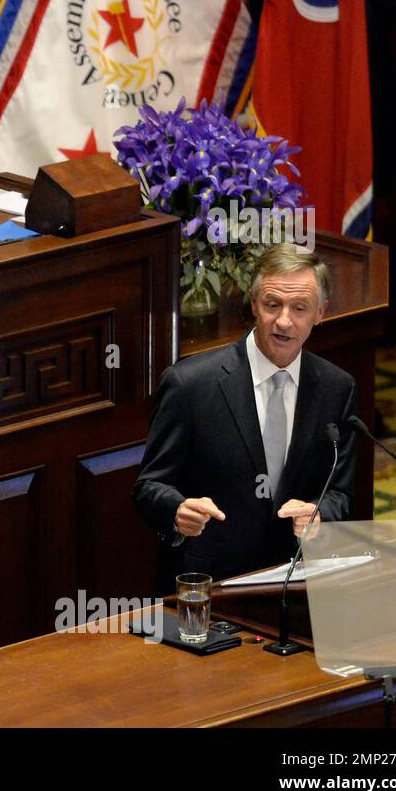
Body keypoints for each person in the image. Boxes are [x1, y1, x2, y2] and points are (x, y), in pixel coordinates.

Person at [132, 243, 357, 590]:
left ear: (320, 313)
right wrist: (177, 510)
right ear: (253, 304)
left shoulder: (336, 388)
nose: (284, 320)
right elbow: (149, 487)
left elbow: (340, 492)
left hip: (294, 582)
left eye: (300, 308)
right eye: (272, 304)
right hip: (207, 584)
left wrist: (320, 513)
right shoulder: (190, 384)